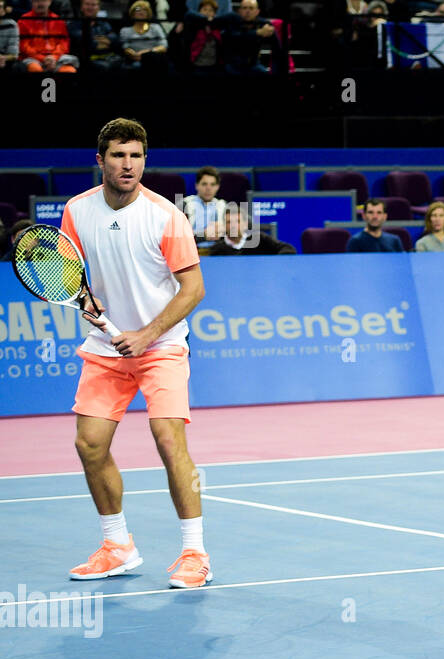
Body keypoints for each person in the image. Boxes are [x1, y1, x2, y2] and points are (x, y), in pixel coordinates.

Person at [64, 117, 211, 589]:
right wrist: (86, 301)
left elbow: (193, 289)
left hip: (161, 345)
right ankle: (117, 546)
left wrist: (147, 334)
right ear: (100, 160)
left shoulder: (166, 216)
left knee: (169, 440)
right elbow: (71, 275)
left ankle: (194, 553)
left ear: (145, 160)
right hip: (106, 348)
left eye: (136, 156)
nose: (128, 165)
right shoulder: (76, 211)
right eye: (118, 155)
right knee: (89, 445)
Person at [19, 0, 78, 72]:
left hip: (56, 59)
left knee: (69, 70)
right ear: (31, 2)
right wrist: (43, 58)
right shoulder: (24, 20)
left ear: (49, 1)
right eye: (37, 1)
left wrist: (54, 57)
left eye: (43, 0)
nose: (40, 4)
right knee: (35, 69)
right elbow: (24, 46)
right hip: (33, 59)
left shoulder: (58, 20)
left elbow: (64, 43)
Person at [219, 0, 282, 74]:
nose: (247, 11)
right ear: (239, 11)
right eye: (244, 8)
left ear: (257, 11)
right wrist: (257, 33)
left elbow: (277, 48)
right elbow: (235, 37)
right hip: (233, 66)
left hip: (254, 65)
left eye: (251, 8)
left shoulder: (263, 24)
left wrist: (274, 70)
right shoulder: (232, 22)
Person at [208, 204, 294, 255]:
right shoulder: (217, 249)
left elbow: (288, 248)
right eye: (229, 222)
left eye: (237, 221)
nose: (233, 226)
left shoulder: (260, 239)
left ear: (245, 224)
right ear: (224, 225)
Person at [68, 0, 120, 70]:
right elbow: (86, 42)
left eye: (93, 5)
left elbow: (114, 38)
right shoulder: (73, 24)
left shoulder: (103, 23)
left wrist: (98, 40)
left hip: (108, 58)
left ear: (98, 8)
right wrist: (102, 41)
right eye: (87, 4)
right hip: (87, 61)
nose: (90, 7)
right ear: (81, 7)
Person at [183, 166, 228, 245]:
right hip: (193, 252)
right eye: (204, 184)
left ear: (217, 187)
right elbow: (179, 239)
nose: (208, 188)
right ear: (196, 185)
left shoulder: (223, 206)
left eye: (212, 184)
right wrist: (204, 236)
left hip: (218, 252)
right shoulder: (185, 205)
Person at [119, 0, 167, 69]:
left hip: (154, 59)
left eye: (145, 10)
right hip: (134, 60)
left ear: (148, 14)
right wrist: (133, 54)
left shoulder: (156, 27)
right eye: (138, 9)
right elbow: (125, 47)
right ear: (132, 13)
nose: (141, 12)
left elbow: (164, 46)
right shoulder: (125, 31)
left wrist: (147, 53)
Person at [184, 0, 225, 72]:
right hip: (196, 66)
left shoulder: (219, 29)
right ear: (199, 12)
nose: (207, 13)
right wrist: (204, 21)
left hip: (214, 68)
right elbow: (188, 14)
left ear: (215, 13)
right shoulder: (193, 27)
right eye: (204, 9)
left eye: (211, 10)